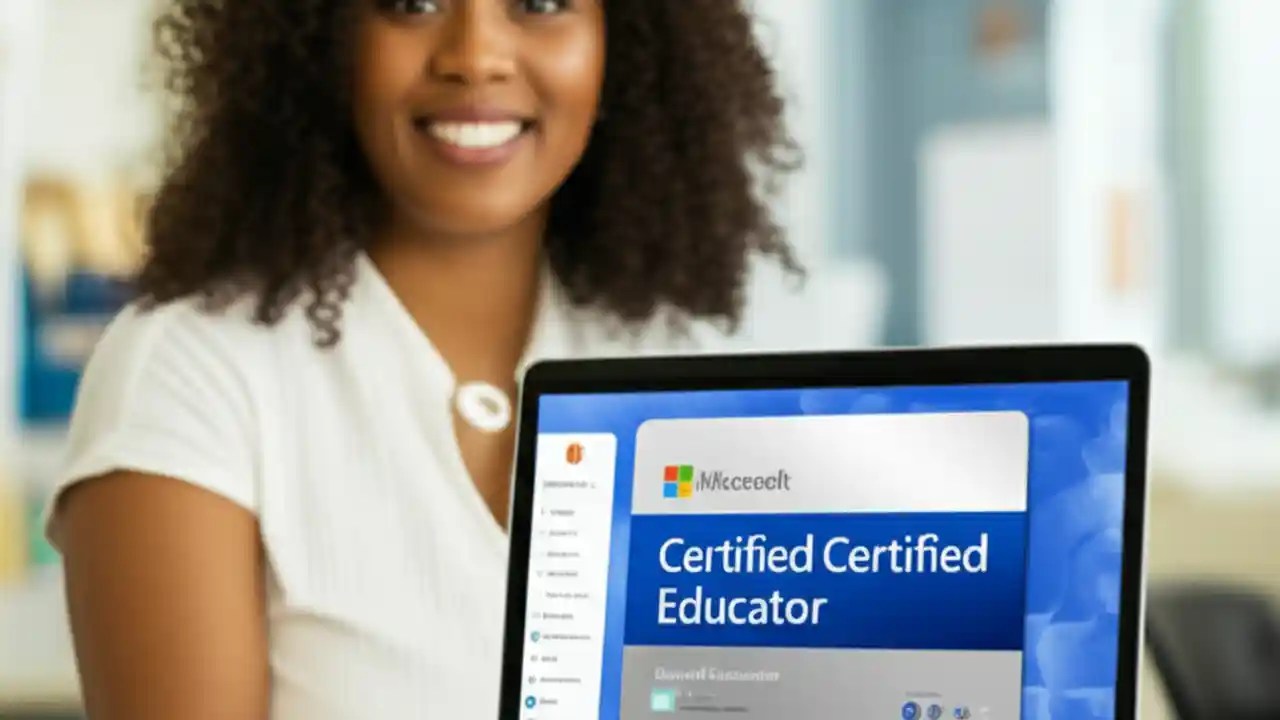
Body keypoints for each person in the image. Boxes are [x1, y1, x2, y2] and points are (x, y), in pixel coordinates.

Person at [44, 0, 800, 717]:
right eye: (411, 0)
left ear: (626, 43)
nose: (475, 57)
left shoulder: (681, 367)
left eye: (539, 2)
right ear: (320, 39)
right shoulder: (188, 377)